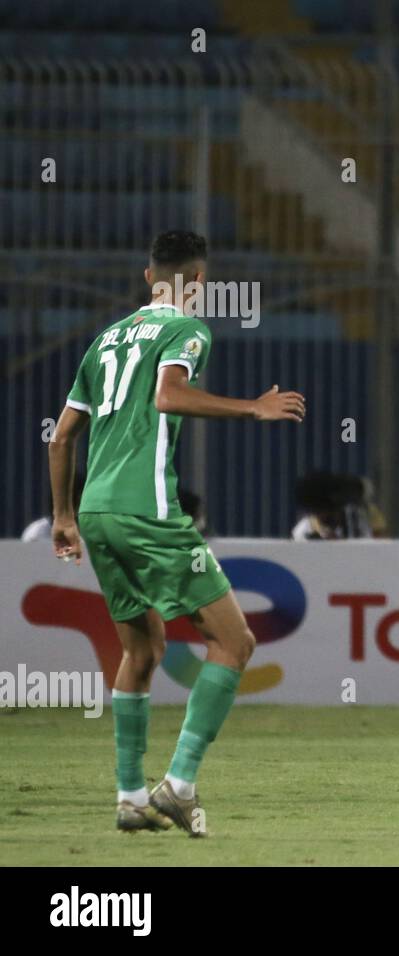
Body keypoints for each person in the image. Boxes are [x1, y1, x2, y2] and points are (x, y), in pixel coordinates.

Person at [47, 230, 305, 834]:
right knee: (236, 643)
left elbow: (60, 437)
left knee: (142, 650)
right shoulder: (188, 330)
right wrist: (252, 408)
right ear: (198, 284)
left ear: (148, 277)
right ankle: (179, 785)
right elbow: (168, 395)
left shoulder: (104, 341)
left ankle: (131, 798)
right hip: (148, 510)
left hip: (96, 511)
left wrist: (61, 515)